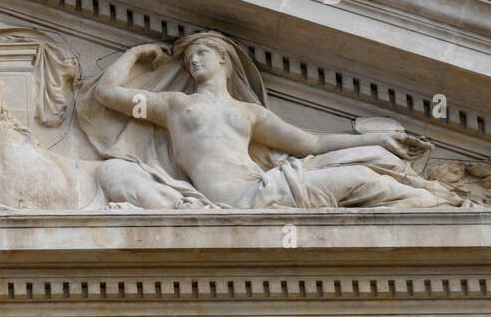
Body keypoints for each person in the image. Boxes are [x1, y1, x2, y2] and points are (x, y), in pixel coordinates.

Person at [79, 31, 464, 209]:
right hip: (236, 197)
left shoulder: (250, 114)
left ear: (224, 60)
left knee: (367, 171)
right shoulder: (176, 106)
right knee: (359, 179)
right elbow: (107, 95)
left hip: (265, 185)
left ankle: (441, 205)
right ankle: (439, 205)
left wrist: (377, 143)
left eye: (201, 53)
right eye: (189, 57)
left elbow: (312, 143)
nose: (193, 61)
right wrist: (135, 53)